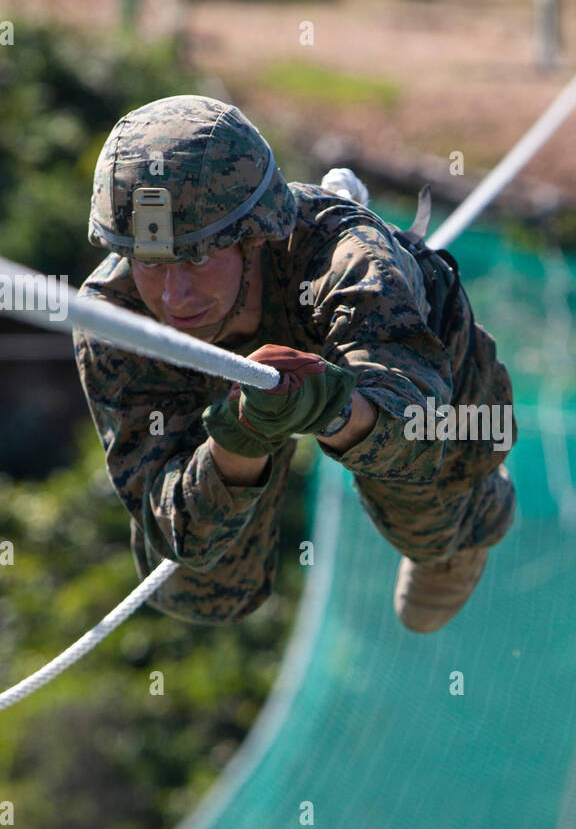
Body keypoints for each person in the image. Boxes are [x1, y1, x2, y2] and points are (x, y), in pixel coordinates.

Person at [75, 95, 517, 633]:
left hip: (418, 372)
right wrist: (240, 439)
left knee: (428, 525)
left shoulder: (351, 260)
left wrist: (328, 410)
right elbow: (171, 522)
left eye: (197, 257)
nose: (174, 296)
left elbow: (417, 433)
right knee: (198, 588)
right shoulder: (117, 316)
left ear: (254, 234)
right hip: (233, 391)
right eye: (149, 262)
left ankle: (469, 523)